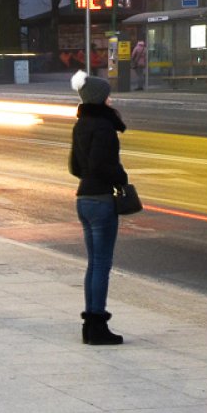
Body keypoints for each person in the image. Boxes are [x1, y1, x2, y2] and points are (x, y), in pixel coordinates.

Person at [67, 73, 128, 345]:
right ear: (98, 97)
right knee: (102, 264)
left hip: (84, 198)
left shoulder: (80, 125)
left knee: (94, 264)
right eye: (107, 94)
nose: (110, 97)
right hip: (101, 200)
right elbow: (101, 164)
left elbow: (76, 167)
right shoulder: (103, 126)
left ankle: (90, 327)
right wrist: (121, 177)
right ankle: (97, 325)